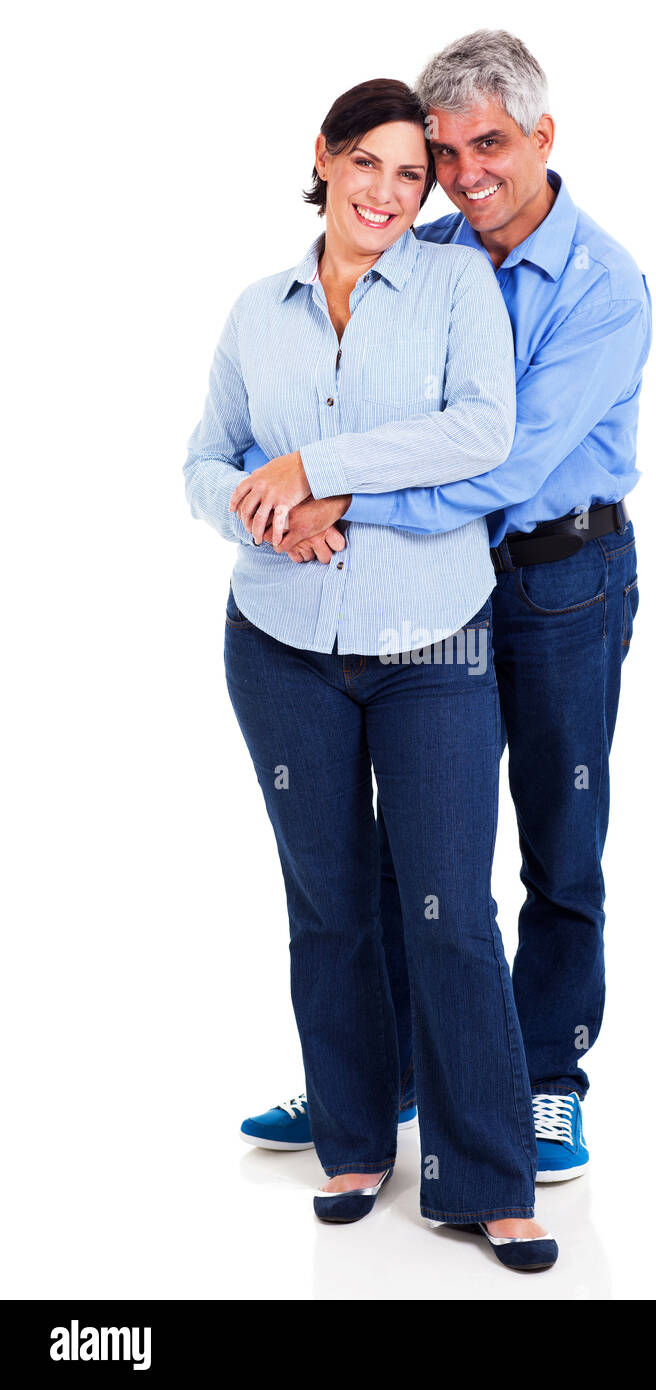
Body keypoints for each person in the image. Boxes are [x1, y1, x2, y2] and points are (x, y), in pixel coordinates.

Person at [241, 32, 653, 1185]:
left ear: (541, 137)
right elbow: (351, 395)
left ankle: (546, 1076)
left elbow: (503, 463)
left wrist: (333, 492)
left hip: (561, 579)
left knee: (558, 841)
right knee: (410, 846)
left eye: (491, 145)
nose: (465, 175)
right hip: (428, 581)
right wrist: (288, 495)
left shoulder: (602, 285)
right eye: (445, 153)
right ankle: (378, 1074)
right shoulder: (418, 250)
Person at [184, 77, 558, 1271]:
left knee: (449, 908)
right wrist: (261, 512)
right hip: (280, 644)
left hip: (432, 644)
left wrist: (315, 467)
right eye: (369, 165)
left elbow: (481, 429)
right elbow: (204, 462)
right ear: (325, 158)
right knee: (329, 903)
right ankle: (350, 1144)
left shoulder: (455, 287)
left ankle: (488, 1178)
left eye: (412, 173)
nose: (391, 193)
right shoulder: (258, 311)